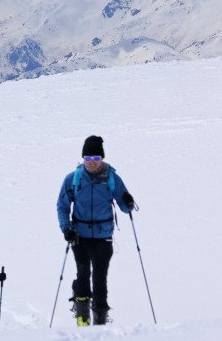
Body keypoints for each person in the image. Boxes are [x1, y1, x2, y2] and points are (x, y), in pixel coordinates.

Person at [56, 135, 135, 326]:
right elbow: (62, 206)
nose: (92, 163)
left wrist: (129, 202)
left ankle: (100, 318)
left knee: (100, 277)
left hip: (103, 236)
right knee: (83, 273)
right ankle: (82, 316)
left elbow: (125, 206)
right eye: (89, 159)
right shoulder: (73, 179)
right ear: (83, 159)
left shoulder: (111, 178)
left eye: (96, 159)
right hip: (79, 236)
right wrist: (66, 229)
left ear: (102, 159)